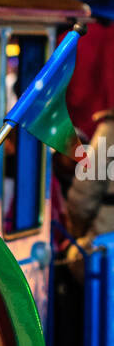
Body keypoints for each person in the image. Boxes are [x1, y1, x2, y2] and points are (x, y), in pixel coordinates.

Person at [64, 107, 114, 278]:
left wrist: (77, 234)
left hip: (107, 251)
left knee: (73, 259)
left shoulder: (110, 131)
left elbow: (81, 200)